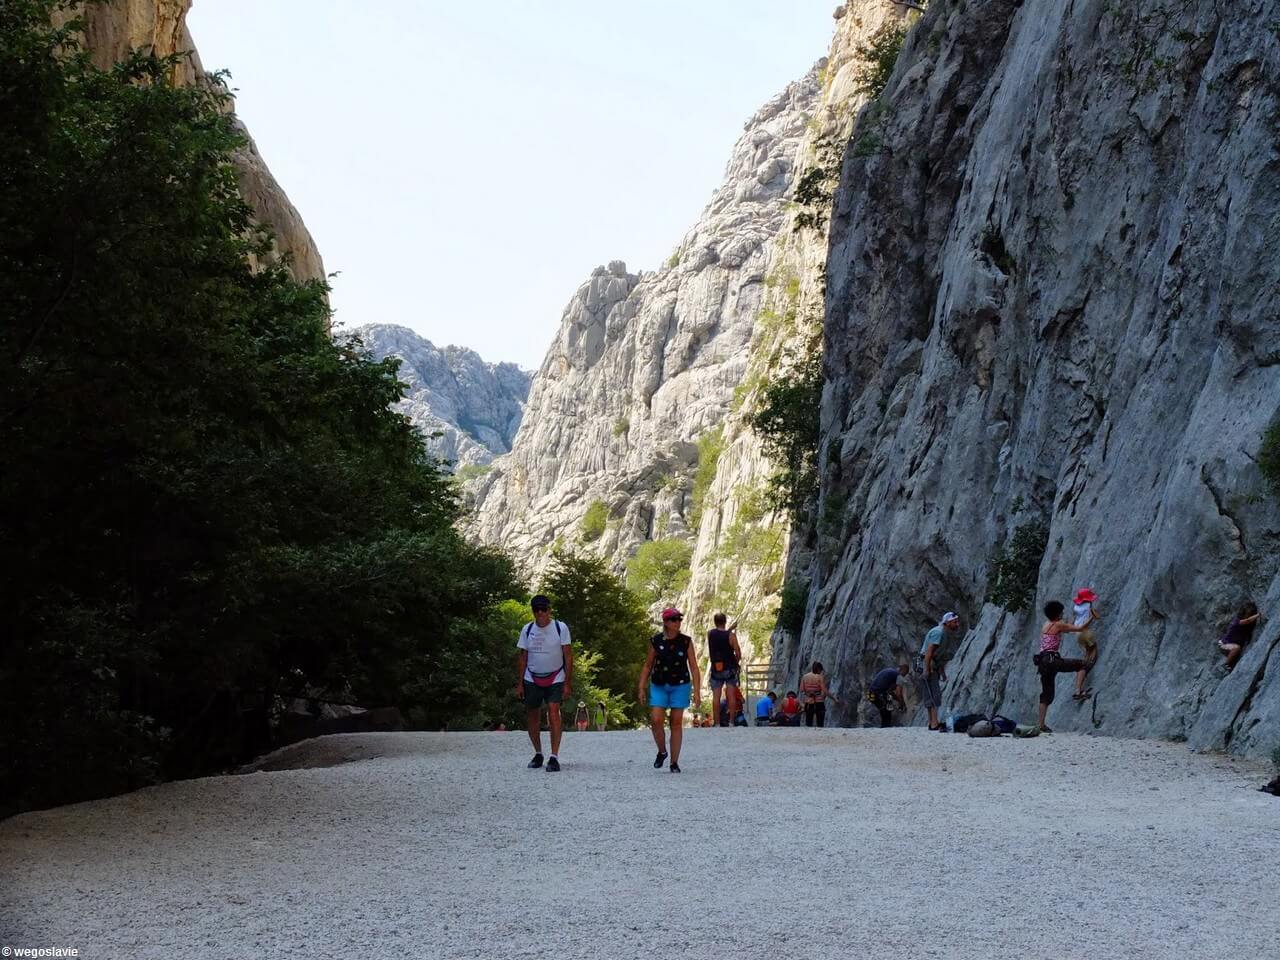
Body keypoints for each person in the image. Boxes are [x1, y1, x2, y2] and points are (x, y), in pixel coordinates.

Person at [637, 607, 702, 773]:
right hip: (659, 684)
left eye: (679, 619)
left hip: (680, 685)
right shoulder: (656, 641)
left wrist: (697, 691)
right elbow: (647, 665)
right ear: (666, 622)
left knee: (676, 722)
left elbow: (694, 667)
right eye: (674, 619)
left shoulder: (686, 641)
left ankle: (674, 762)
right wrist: (641, 687)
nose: (678, 622)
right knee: (656, 720)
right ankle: (662, 751)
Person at [515, 594, 573, 772]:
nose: (540, 613)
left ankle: (554, 756)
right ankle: (538, 753)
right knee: (533, 715)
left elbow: (568, 656)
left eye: (543, 609)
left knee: (554, 712)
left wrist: (567, 683)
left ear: (549, 610)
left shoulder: (560, 628)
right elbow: (523, 658)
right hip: (532, 677)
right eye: (536, 610)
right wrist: (519, 683)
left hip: (555, 676)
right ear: (533, 611)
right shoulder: (527, 629)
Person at [1034, 600, 1096, 732]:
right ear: (1057, 614)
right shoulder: (1058, 625)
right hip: (1052, 660)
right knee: (1082, 664)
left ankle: (1041, 724)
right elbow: (1079, 629)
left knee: (1046, 694)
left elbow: (1068, 628)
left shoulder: (1046, 625)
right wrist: (1091, 617)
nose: (1063, 613)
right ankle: (1078, 692)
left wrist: (1073, 620)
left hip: (1043, 662)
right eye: (1061, 612)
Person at [915, 612, 961, 731]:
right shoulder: (939, 632)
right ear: (947, 622)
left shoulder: (945, 634)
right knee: (933, 693)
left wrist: (942, 672)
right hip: (927, 664)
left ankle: (932, 722)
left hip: (932, 664)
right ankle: (934, 723)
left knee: (931, 693)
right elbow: (929, 652)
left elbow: (938, 655)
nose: (957, 624)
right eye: (955, 622)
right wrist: (926, 670)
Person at [707, 613, 743, 727]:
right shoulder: (731, 636)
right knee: (731, 695)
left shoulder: (710, 634)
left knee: (716, 697)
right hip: (729, 668)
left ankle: (717, 723)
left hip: (716, 668)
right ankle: (731, 722)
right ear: (725, 621)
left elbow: (719, 636)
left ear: (714, 621)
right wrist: (736, 662)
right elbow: (738, 653)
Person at [1071, 588, 1101, 701]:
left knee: (1087, 653)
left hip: (1077, 634)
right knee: (1092, 654)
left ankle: (1078, 688)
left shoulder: (1076, 607)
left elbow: (1072, 620)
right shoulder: (1089, 606)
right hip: (1086, 633)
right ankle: (1080, 685)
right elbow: (1097, 617)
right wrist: (1093, 613)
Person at [1217, 601, 1260, 671]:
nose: (1249, 616)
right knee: (1237, 648)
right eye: (1248, 614)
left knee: (1237, 648)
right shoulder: (1238, 621)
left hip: (1230, 643)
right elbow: (1248, 621)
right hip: (1223, 644)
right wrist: (1258, 615)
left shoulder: (1245, 624)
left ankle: (1230, 663)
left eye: (1250, 614)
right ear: (1242, 613)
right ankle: (1225, 664)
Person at [868, 663, 910, 728]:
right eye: (906, 673)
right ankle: (886, 728)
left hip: (870, 694)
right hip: (879, 694)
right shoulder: (899, 676)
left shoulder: (891, 671)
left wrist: (898, 700)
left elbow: (890, 691)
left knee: (884, 710)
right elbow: (899, 693)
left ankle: (884, 728)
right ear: (904, 671)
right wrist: (901, 703)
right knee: (887, 711)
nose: (905, 676)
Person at [799, 662, 836, 727]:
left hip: (808, 701)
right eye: (820, 670)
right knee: (820, 721)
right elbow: (825, 691)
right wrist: (834, 698)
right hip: (819, 701)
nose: (821, 672)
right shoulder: (820, 677)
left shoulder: (805, 676)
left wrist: (809, 693)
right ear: (818, 668)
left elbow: (802, 689)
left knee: (809, 721)